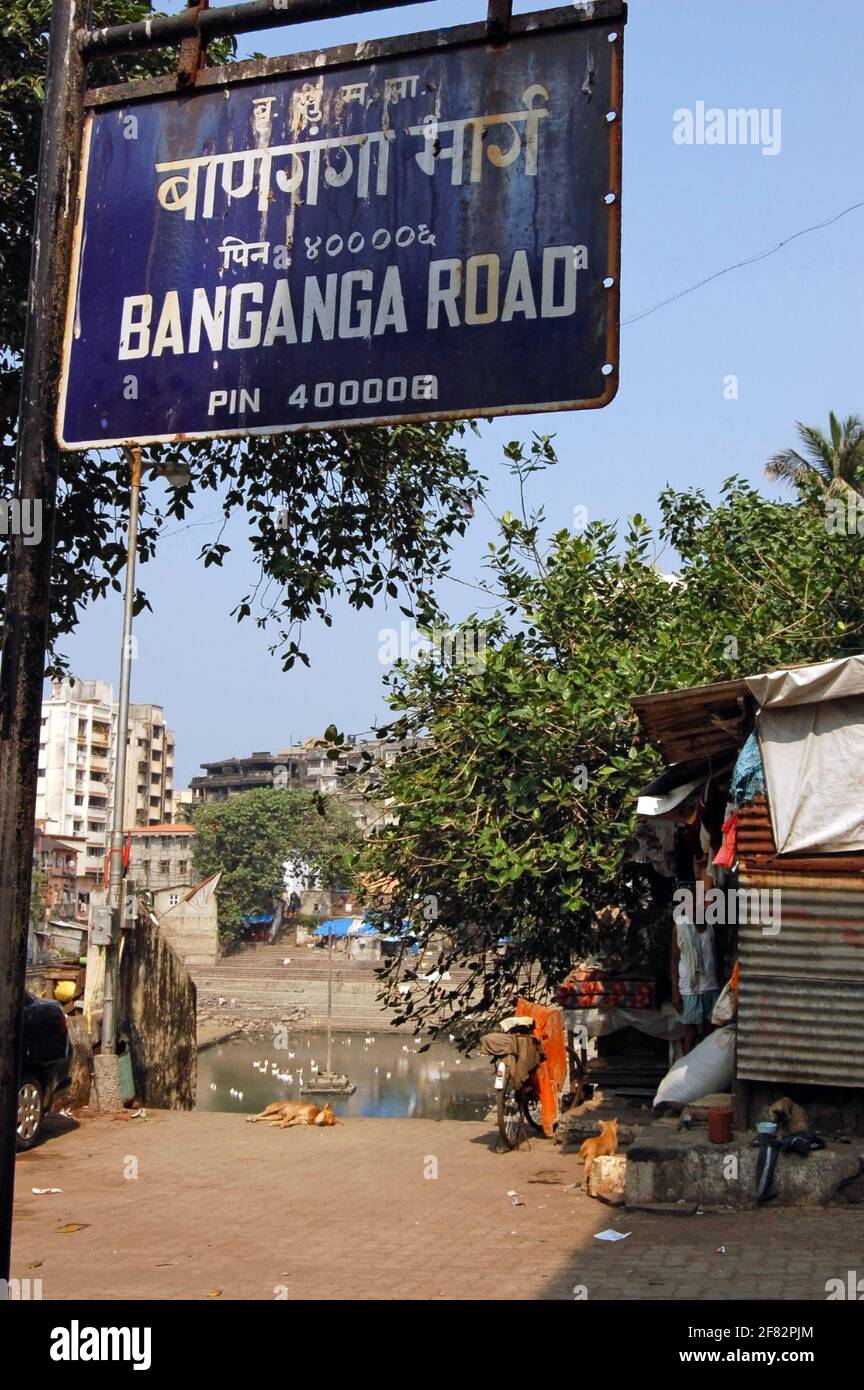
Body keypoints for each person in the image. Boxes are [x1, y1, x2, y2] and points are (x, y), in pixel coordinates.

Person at [670, 911, 719, 1055]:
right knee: (690, 1034)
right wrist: (675, 992)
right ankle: (687, 1070)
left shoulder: (710, 927)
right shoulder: (680, 927)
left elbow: (715, 959)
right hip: (689, 987)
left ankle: (705, 1070)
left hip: (710, 985)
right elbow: (674, 960)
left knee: (709, 1033)